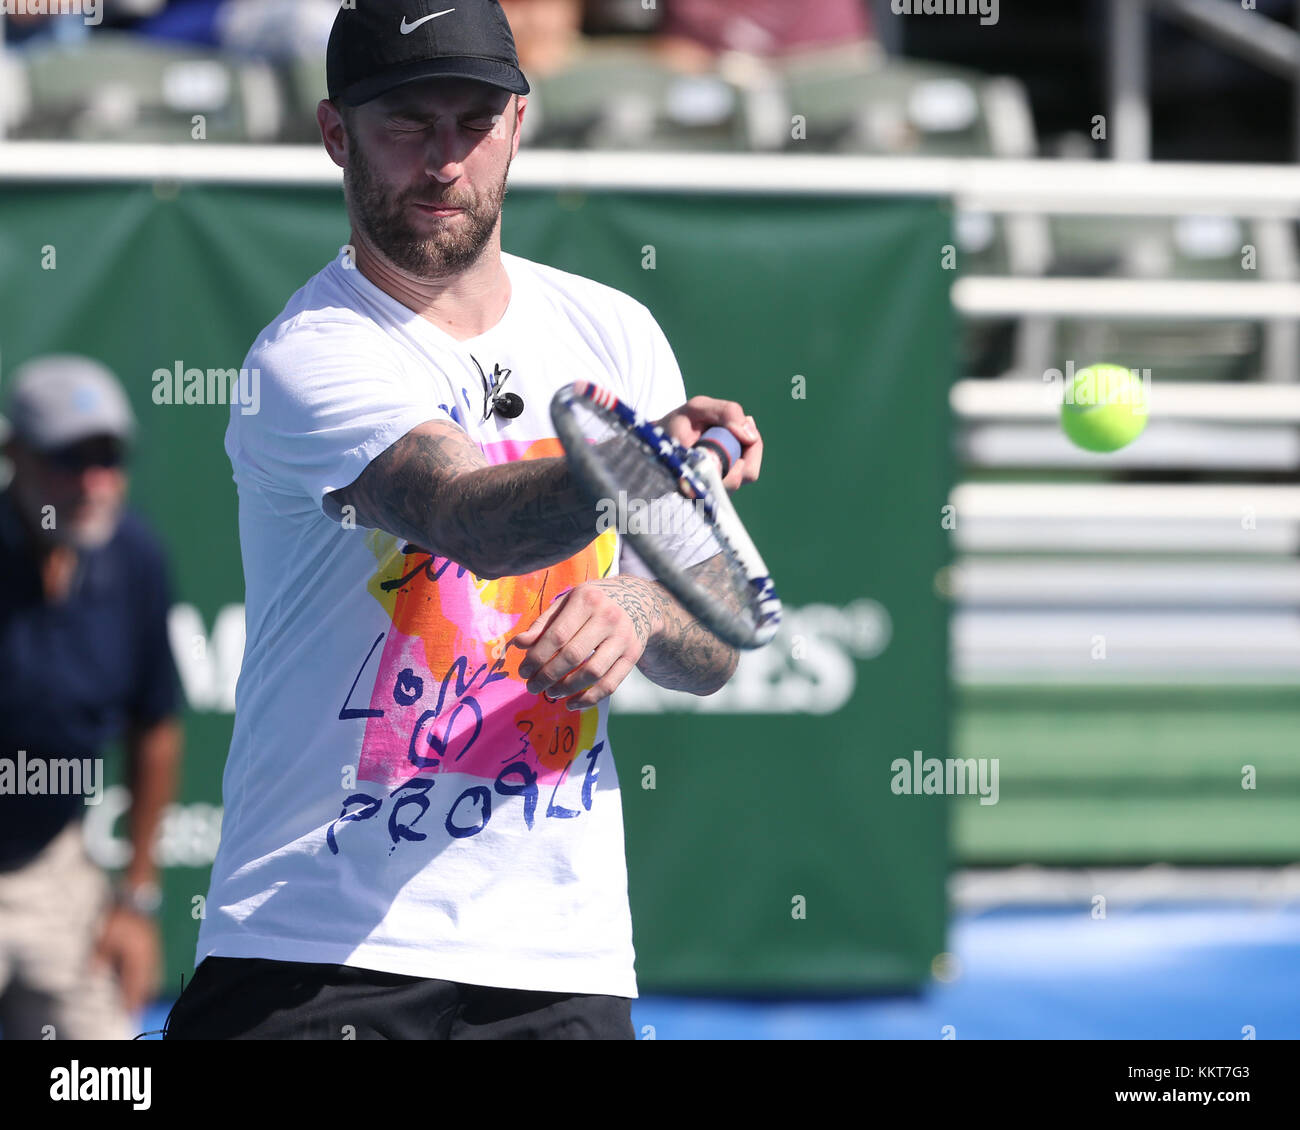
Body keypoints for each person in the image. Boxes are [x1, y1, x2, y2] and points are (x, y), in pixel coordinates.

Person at [164, 0, 762, 1040]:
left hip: (560, 954)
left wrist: (634, 602)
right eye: (407, 123)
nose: (445, 160)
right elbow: (467, 517)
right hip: (314, 953)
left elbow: (713, 638)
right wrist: (633, 461)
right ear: (336, 134)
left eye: (474, 121)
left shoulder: (615, 332)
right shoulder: (306, 355)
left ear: (519, 126)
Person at [0, 356, 182, 1040]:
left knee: (107, 1077)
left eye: (108, 457)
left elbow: (154, 727)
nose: (94, 483)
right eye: (69, 459)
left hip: (56, 870)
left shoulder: (135, 556)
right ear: (15, 454)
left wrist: (134, 901)